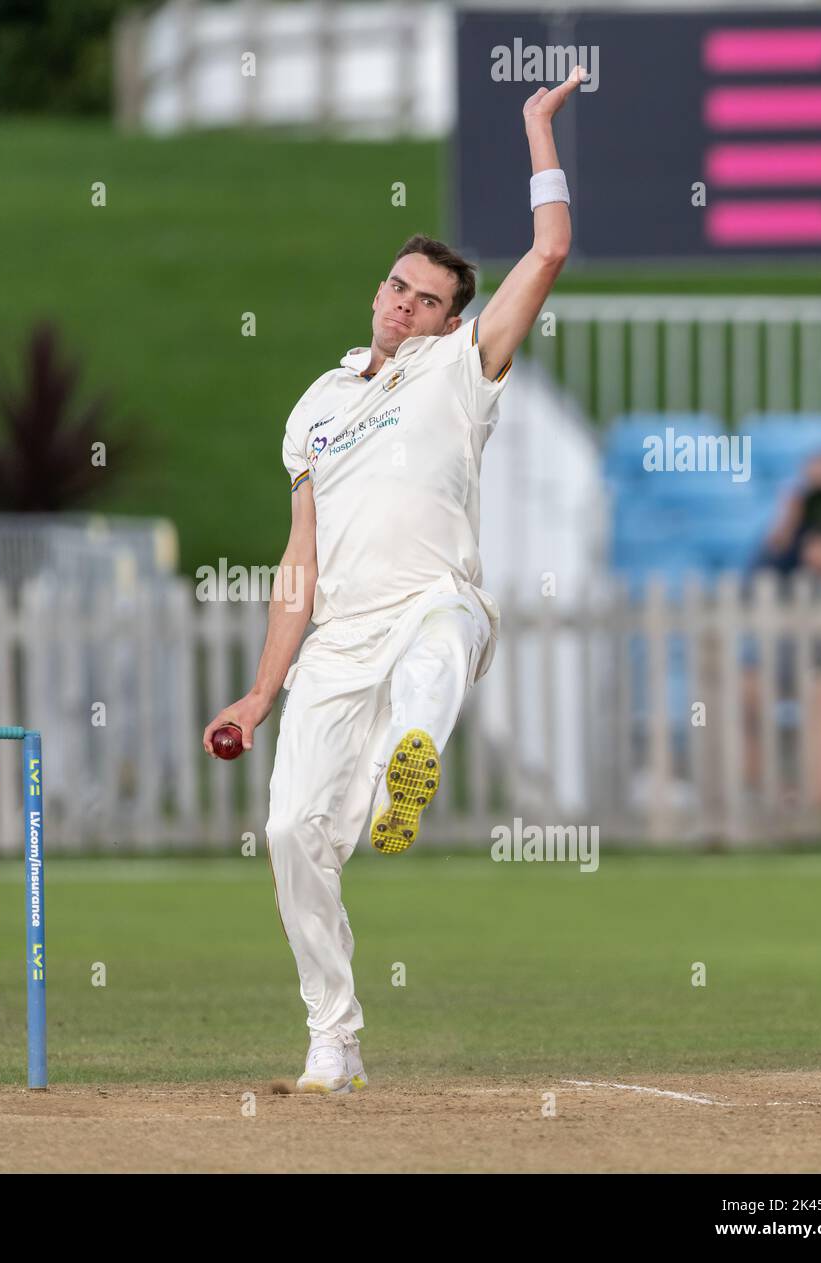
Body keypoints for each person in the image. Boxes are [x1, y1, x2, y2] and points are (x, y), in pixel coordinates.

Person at [203, 69, 586, 1093]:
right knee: (290, 833)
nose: (405, 307)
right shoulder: (316, 406)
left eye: (427, 300)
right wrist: (259, 689)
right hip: (337, 634)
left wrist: (534, 127)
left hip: (436, 601)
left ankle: (402, 772)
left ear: (447, 317)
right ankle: (334, 1034)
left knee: (439, 650)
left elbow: (548, 251)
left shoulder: (463, 367)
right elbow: (300, 561)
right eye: (397, 288)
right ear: (379, 290)